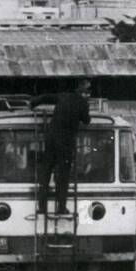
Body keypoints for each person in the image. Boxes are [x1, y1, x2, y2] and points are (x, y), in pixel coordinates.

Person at [30, 79, 91, 215]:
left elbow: (45, 97)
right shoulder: (82, 103)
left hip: (51, 139)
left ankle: (42, 208)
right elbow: (86, 120)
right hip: (66, 143)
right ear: (82, 92)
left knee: (45, 173)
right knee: (63, 176)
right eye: (87, 92)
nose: (88, 95)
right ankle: (61, 208)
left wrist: (33, 103)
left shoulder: (63, 96)